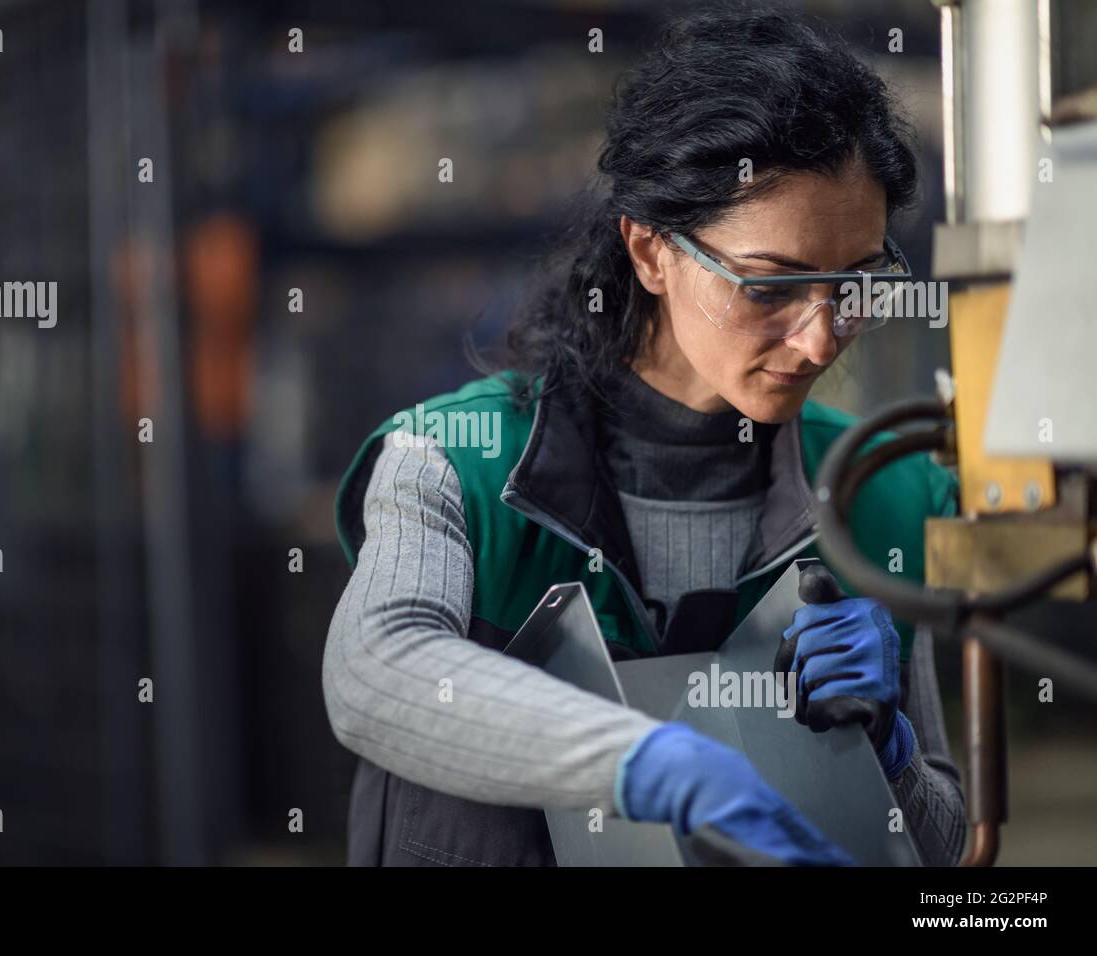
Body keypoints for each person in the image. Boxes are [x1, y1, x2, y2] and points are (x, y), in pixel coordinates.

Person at [322, 9, 966, 867]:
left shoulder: (877, 492)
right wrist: (647, 761)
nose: (820, 339)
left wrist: (888, 752)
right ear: (651, 251)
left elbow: (944, 850)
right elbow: (377, 672)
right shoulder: (453, 464)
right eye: (771, 287)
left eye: (857, 284)